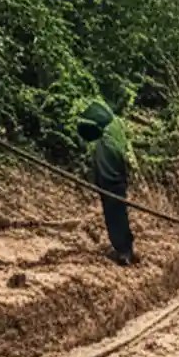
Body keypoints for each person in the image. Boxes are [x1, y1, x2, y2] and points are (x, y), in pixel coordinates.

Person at [77, 99, 137, 266]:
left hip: (111, 182)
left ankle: (124, 251)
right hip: (114, 181)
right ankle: (125, 247)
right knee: (118, 213)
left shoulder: (108, 139)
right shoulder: (115, 129)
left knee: (115, 214)